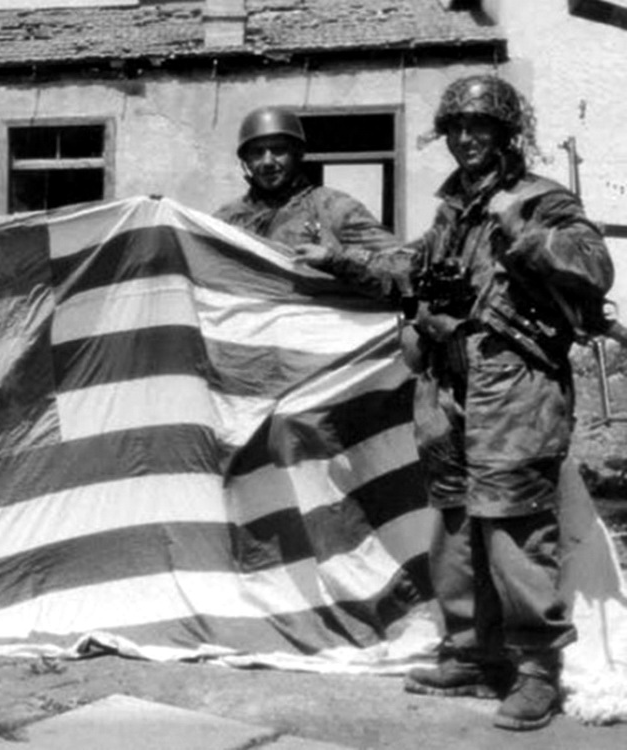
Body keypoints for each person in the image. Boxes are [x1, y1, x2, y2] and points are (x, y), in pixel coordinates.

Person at [291, 76, 613, 731]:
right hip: (451, 379)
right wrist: (340, 260)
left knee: (515, 527)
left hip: (516, 386)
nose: (467, 139)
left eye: (481, 128)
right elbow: (412, 269)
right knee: (457, 523)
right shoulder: (452, 209)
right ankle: (472, 653)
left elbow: (594, 265)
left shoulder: (538, 200)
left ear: (505, 134)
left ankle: (535, 672)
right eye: (458, 129)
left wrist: (521, 231)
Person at [215, 106, 398, 257]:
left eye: (278, 150)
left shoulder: (333, 208)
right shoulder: (226, 219)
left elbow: (400, 262)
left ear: (297, 154)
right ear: (246, 160)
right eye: (257, 152)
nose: (267, 162)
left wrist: (334, 259)